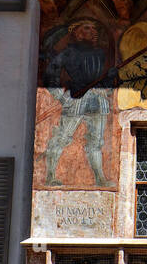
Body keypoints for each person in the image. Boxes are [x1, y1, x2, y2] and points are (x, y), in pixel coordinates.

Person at [42, 19, 114, 187]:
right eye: (87, 28)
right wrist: (61, 97)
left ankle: (100, 178)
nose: (92, 31)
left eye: (94, 28)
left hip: (97, 98)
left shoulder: (100, 54)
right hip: (76, 100)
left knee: (96, 141)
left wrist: (109, 78)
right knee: (62, 137)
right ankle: (50, 176)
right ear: (77, 32)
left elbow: (100, 80)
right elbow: (50, 75)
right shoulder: (68, 53)